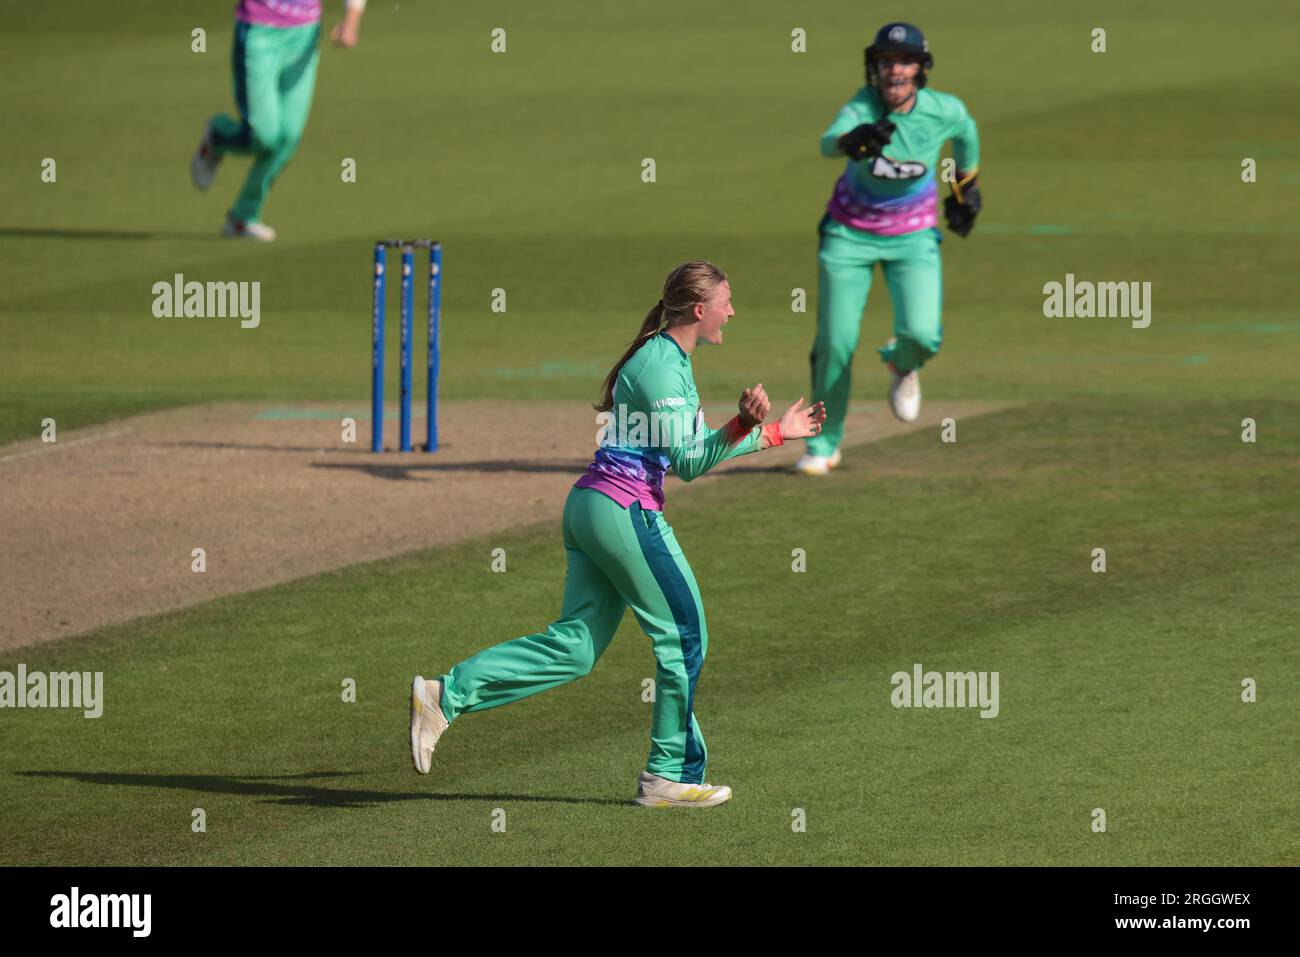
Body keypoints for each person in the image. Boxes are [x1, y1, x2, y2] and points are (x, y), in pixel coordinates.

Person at [409, 261, 826, 807]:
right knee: (684, 635)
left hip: (595, 508)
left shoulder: (669, 359)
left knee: (576, 649)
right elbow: (692, 461)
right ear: (699, 310)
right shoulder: (659, 365)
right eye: (726, 301)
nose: (732, 310)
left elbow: (696, 445)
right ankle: (664, 776)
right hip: (621, 510)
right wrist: (750, 425)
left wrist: (772, 431)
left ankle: (445, 695)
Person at [795, 22, 981, 476]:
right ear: (874, 68)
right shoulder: (862, 105)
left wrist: (966, 188)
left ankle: (902, 364)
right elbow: (826, 144)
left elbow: (967, 133)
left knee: (923, 335)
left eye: (903, 62)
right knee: (835, 343)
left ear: (920, 69)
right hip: (848, 235)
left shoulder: (944, 110)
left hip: (914, 235)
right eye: (885, 62)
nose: (894, 71)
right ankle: (824, 444)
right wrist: (849, 141)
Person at [189, 0, 368, 241]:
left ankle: (242, 217)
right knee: (263, 134)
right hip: (259, 29)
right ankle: (217, 136)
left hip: (304, 35)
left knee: (290, 136)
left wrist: (351, 22)